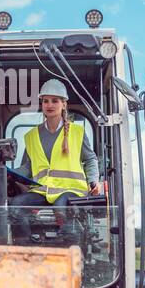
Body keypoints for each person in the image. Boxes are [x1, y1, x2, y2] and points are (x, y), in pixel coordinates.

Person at [13, 79, 101, 208]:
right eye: (45, 101)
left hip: (72, 190)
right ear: (41, 104)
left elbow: (90, 159)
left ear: (64, 104)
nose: (50, 105)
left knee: (60, 206)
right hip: (43, 191)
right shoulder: (31, 136)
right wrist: (8, 174)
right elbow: (28, 167)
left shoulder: (77, 132)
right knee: (16, 204)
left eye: (55, 101)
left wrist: (93, 181)